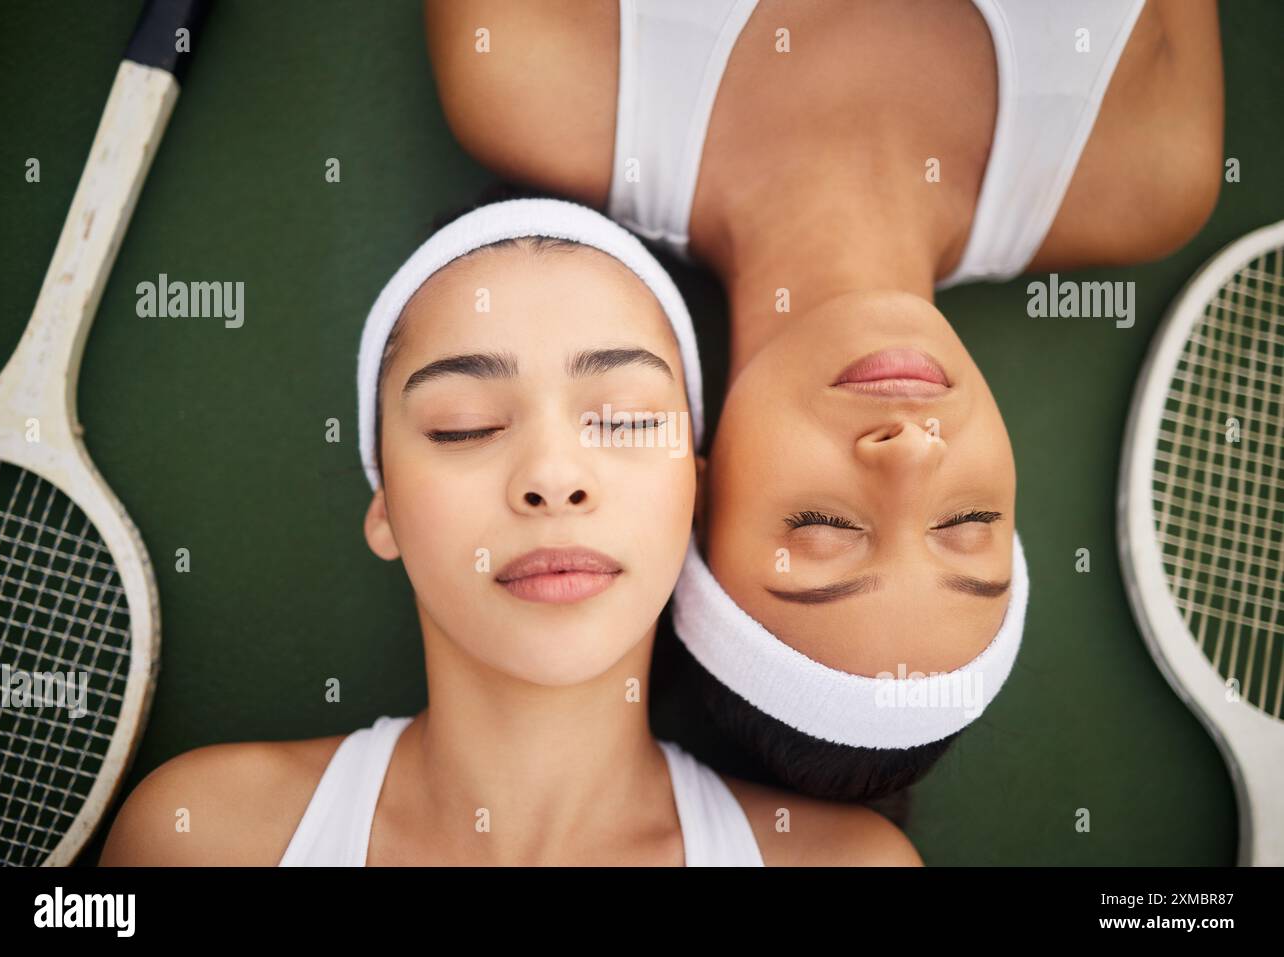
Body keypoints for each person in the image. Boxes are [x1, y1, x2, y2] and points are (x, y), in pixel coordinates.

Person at [423, 0, 1223, 800]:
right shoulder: (1150, 160)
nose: (911, 451)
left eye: (827, 527)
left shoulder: (530, 71)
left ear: (691, 501)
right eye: (966, 523)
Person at [99, 198, 922, 866]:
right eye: (465, 426)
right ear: (384, 507)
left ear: (696, 490)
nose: (553, 475)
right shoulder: (203, 838)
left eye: (627, 420)